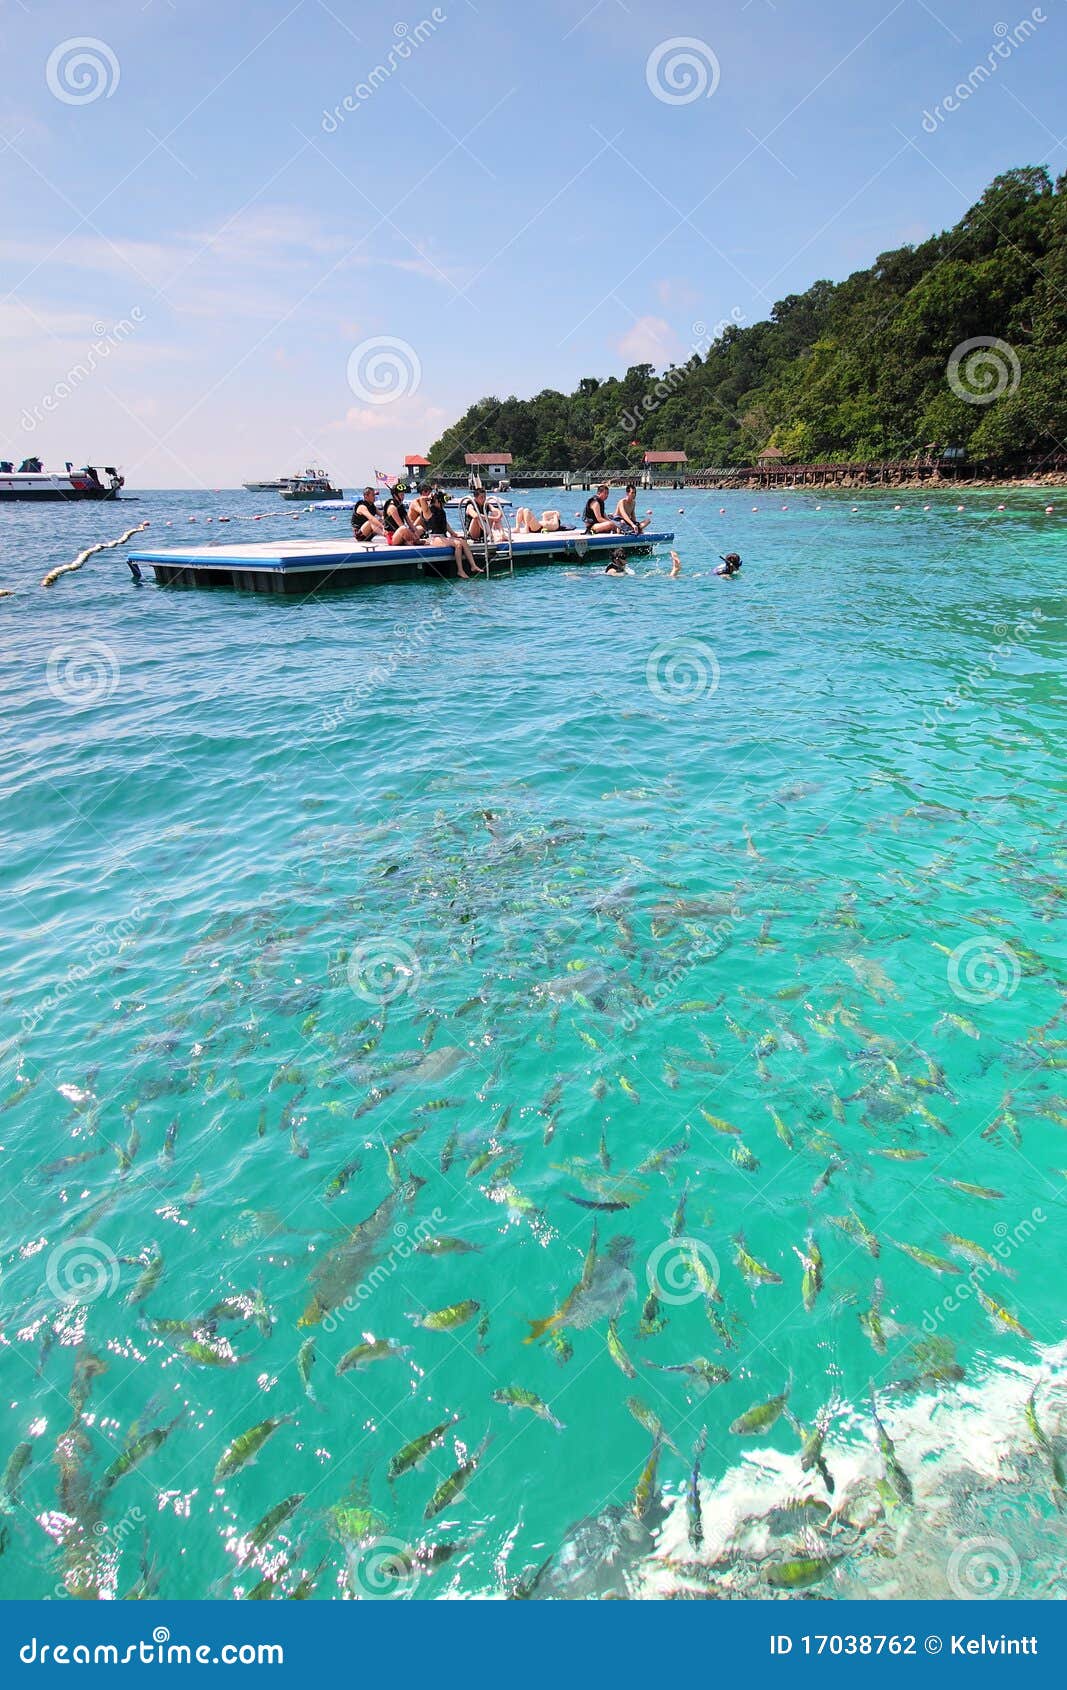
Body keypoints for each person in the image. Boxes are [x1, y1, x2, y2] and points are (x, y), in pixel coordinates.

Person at [425, 488, 484, 579]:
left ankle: (473, 566)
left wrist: (453, 533)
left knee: (463, 541)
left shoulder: (441, 510)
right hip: (434, 538)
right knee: (457, 544)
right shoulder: (428, 511)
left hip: (443, 537)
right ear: (437, 501)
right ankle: (460, 570)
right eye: (443, 501)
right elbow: (421, 500)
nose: (444, 503)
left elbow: (445, 524)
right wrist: (430, 497)